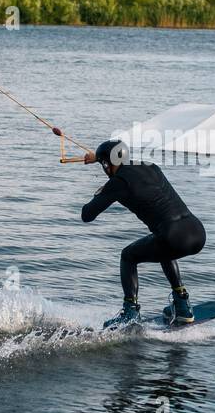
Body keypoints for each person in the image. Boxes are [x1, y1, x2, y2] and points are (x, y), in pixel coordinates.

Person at [81, 140, 206, 327]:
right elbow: (127, 169)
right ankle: (182, 305)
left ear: (107, 165)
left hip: (171, 236)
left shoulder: (117, 183)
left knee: (128, 256)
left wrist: (100, 193)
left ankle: (130, 313)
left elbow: (87, 215)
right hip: (197, 232)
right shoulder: (151, 167)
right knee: (164, 249)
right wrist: (99, 158)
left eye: (104, 165)